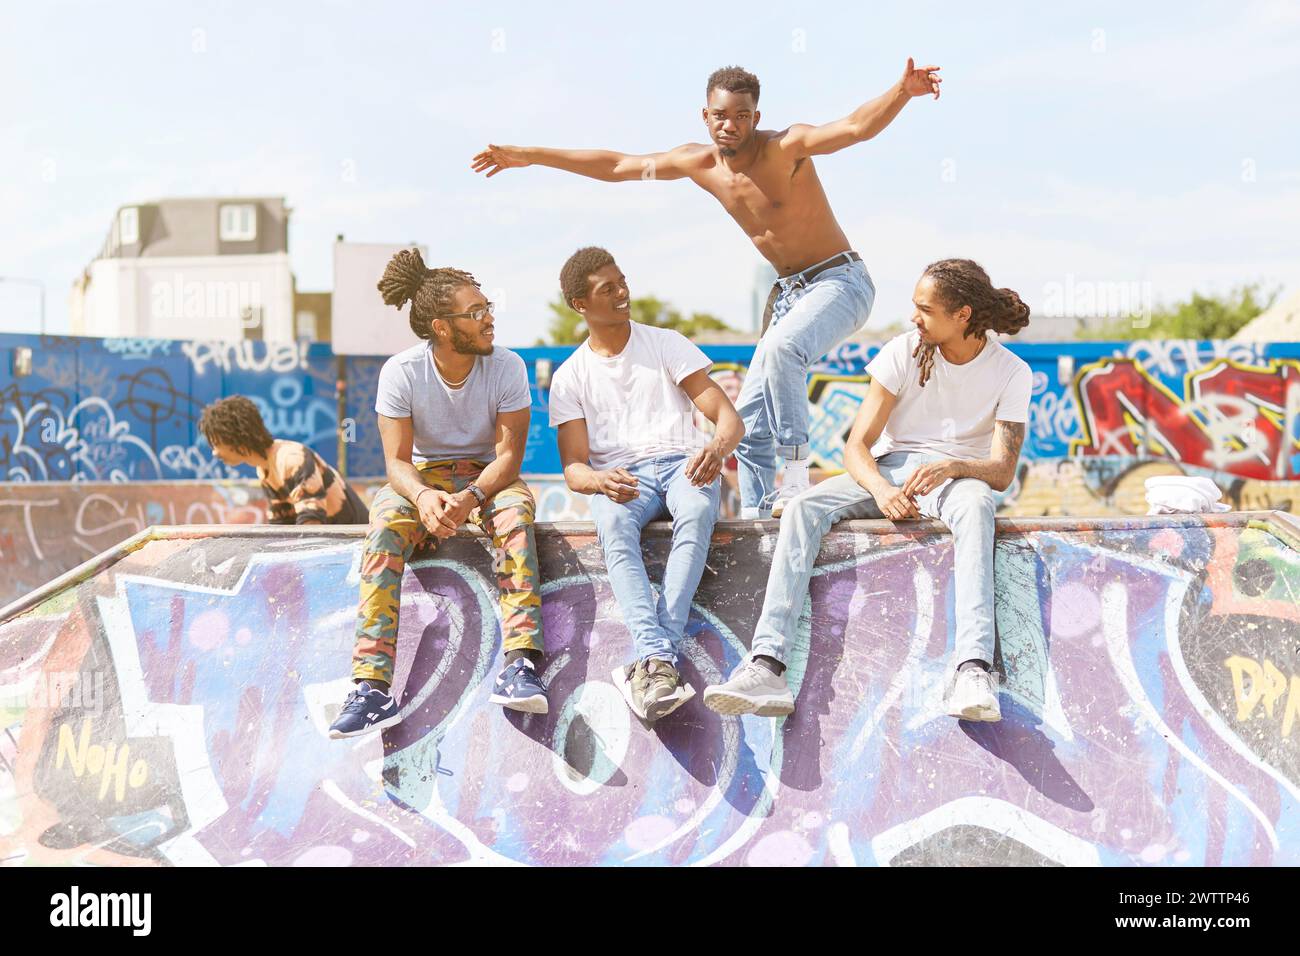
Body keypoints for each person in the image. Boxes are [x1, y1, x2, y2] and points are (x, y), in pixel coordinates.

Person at [473, 59, 943, 517]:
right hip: (790, 295)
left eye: (742, 117)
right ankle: (761, 516)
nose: (730, 126)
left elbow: (855, 127)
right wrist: (531, 156)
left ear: (756, 117)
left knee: (781, 350)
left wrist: (901, 91)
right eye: (720, 116)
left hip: (840, 280)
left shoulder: (788, 146)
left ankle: (797, 475)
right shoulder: (698, 163)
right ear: (706, 116)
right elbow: (617, 165)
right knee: (752, 421)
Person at [702, 259, 1031, 723]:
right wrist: (878, 488)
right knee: (801, 508)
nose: (914, 317)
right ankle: (767, 666)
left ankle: (973, 668)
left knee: (978, 505)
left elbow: (1000, 472)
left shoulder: (1011, 372)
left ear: (963, 315)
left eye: (925, 309)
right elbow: (857, 447)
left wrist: (951, 466)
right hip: (891, 468)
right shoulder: (903, 352)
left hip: (957, 478)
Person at [328, 249, 547, 739]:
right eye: (476, 313)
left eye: (488, 307)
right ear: (442, 328)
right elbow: (397, 463)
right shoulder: (401, 372)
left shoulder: (508, 367)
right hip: (422, 474)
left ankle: (521, 663)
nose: (489, 319)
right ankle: (371, 687)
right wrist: (424, 497)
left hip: (489, 477)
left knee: (515, 520)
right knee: (383, 527)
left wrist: (469, 497)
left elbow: (509, 459)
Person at [548, 247, 743, 722]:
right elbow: (573, 468)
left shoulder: (665, 342)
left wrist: (714, 449)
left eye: (622, 282)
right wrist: (598, 479)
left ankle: (655, 659)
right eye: (607, 289)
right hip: (622, 478)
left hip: (682, 460)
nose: (622, 293)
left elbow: (728, 421)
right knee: (613, 529)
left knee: (697, 513)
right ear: (580, 304)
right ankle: (659, 660)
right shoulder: (570, 375)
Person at [200, 395, 367, 525]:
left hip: (357, 546)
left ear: (234, 437)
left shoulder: (292, 459)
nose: (214, 452)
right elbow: (282, 525)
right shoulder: (265, 468)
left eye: (216, 443)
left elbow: (312, 523)